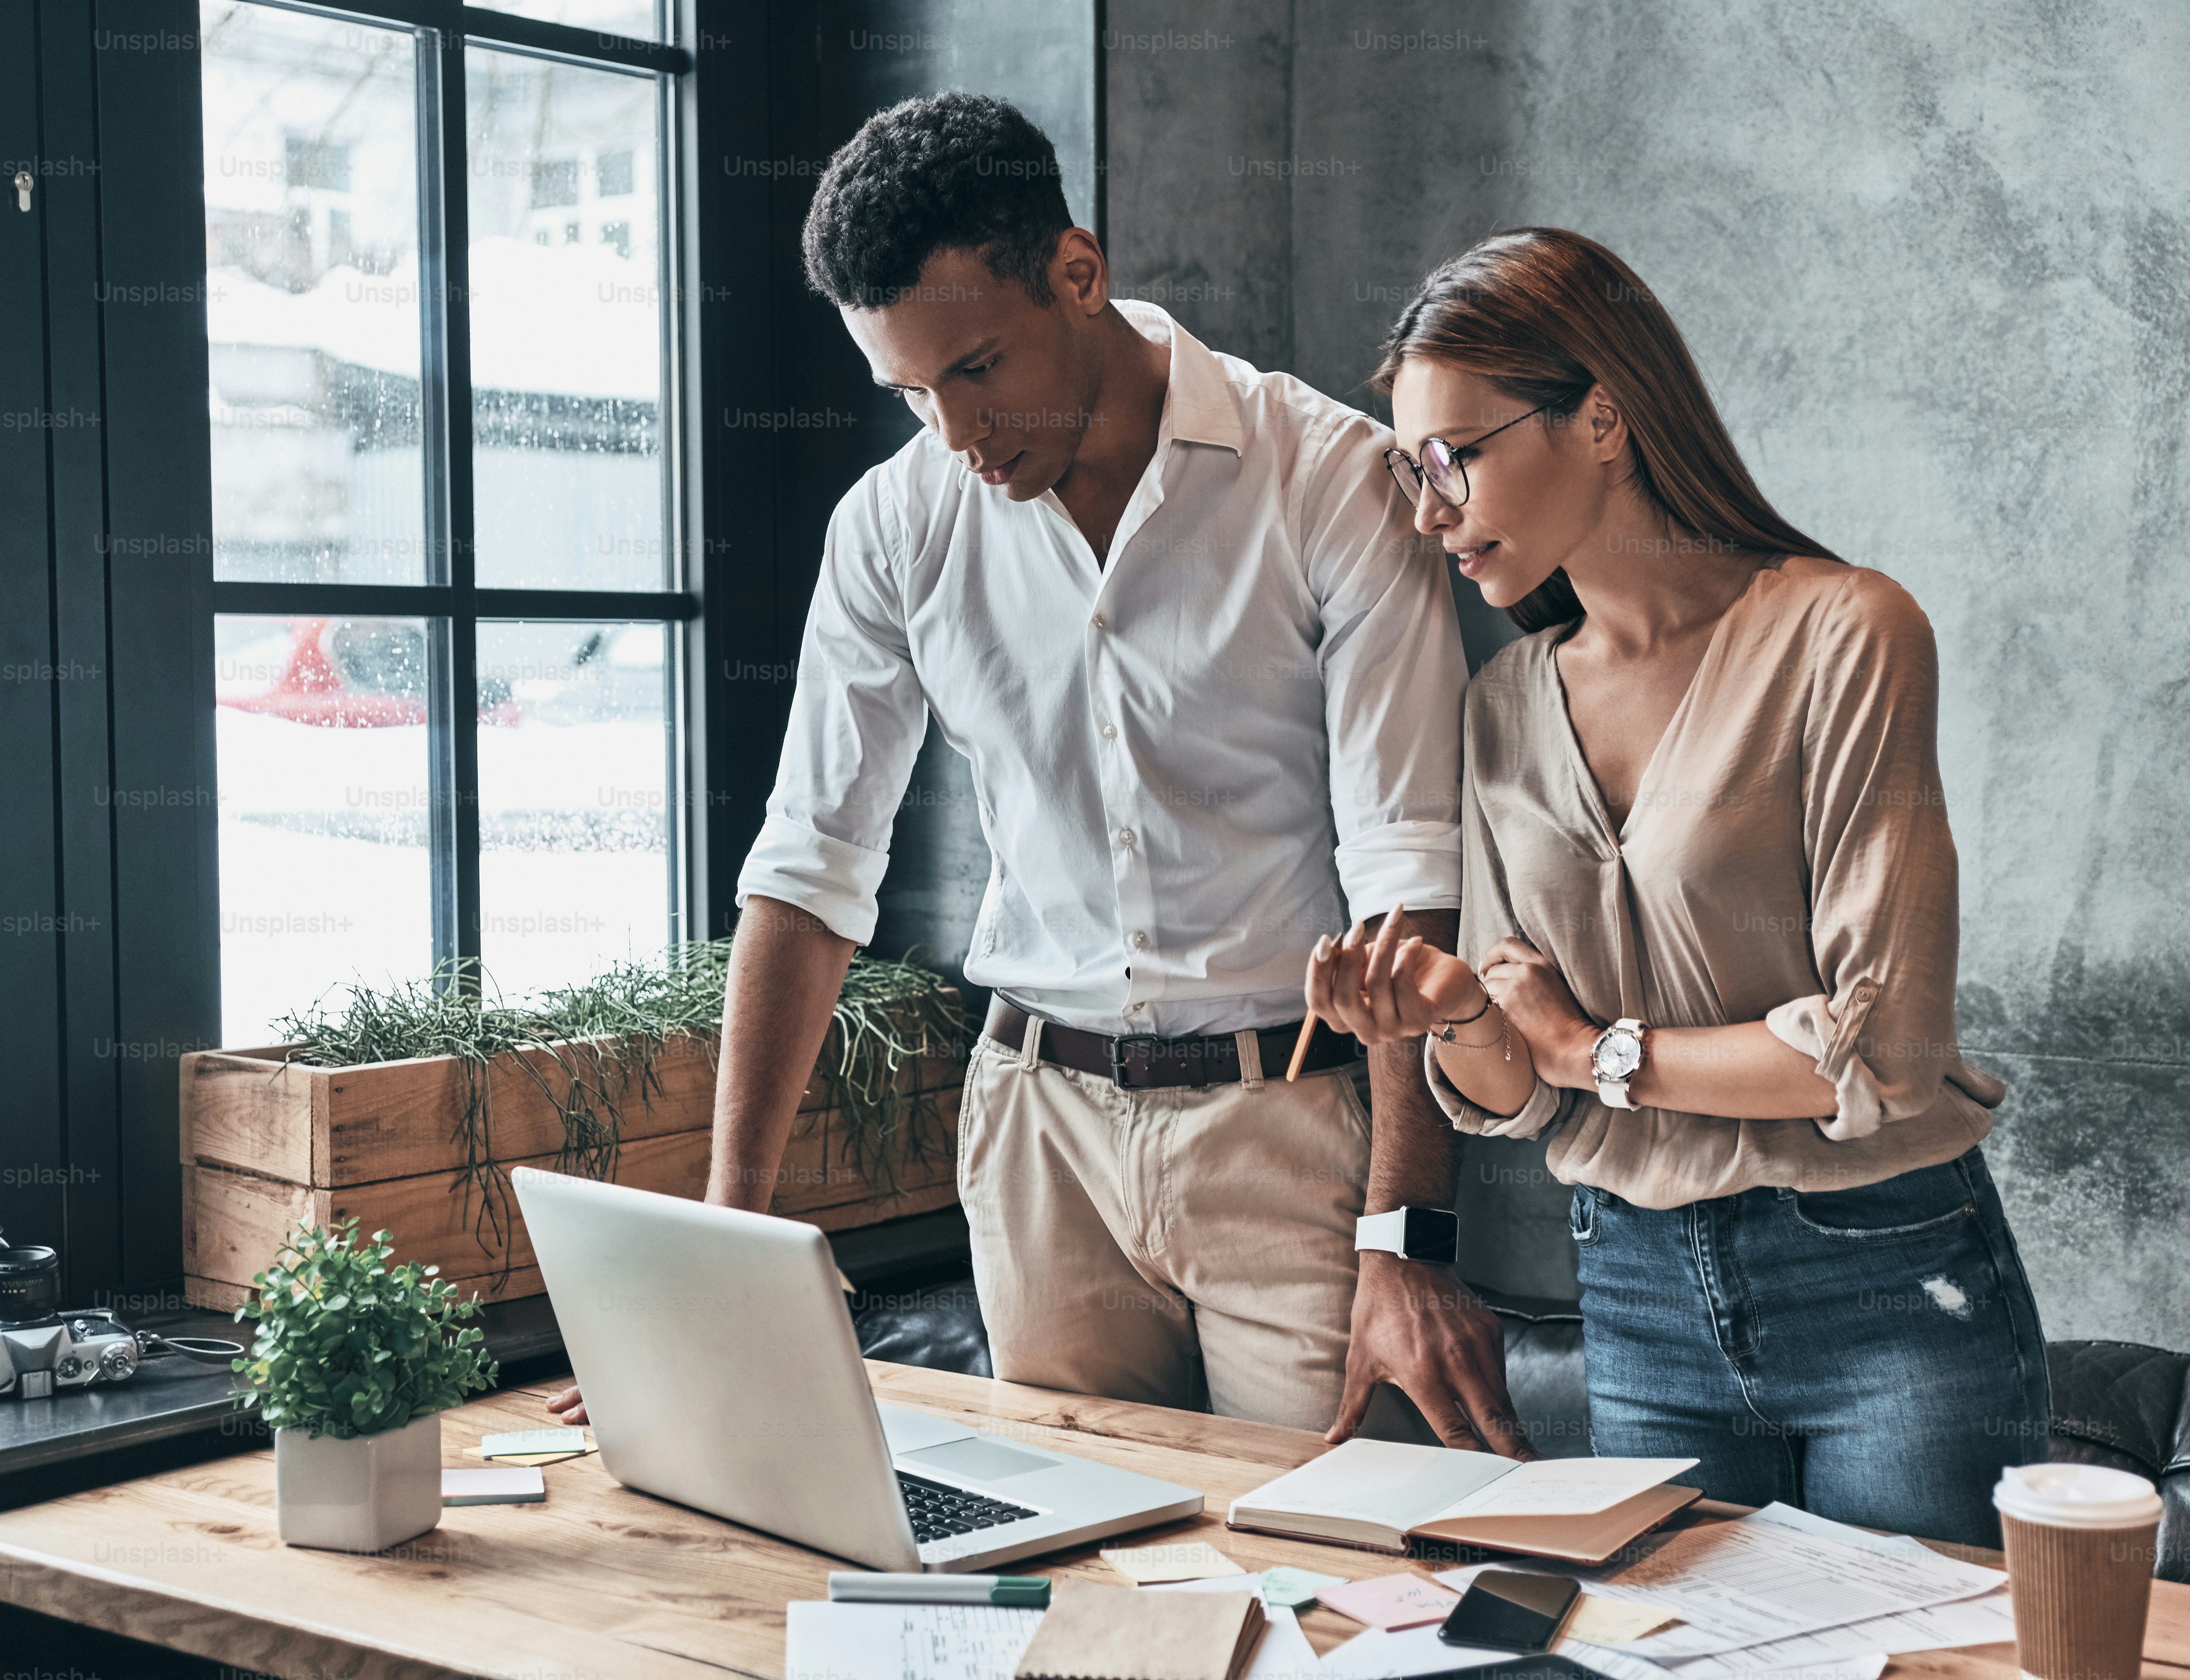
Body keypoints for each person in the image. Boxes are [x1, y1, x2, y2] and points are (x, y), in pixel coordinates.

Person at [546, 92, 1532, 1450]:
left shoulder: (1326, 480)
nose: (955, 436)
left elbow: (1407, 882)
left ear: (1079, 274)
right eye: (909, 392)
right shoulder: (897, 525)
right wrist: (729, 1232)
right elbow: (808, 871)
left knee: (1324, 1583)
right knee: (1071, 1592)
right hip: (1033, 1131)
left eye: (978, 370)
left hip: (1285, 1123)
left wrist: (1405, 1234)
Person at [1308, 227, 2048, 1547]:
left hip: (1879, 1281)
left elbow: (1876, 1050)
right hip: (1636, 1290)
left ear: (1601, 413)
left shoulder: (1847, 631)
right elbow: (1507, 1093)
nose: (1428, 514)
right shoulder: (1503, 703)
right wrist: (1443, 1019)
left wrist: (1589, 1049)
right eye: (1406, 470)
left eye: (1451, 459)